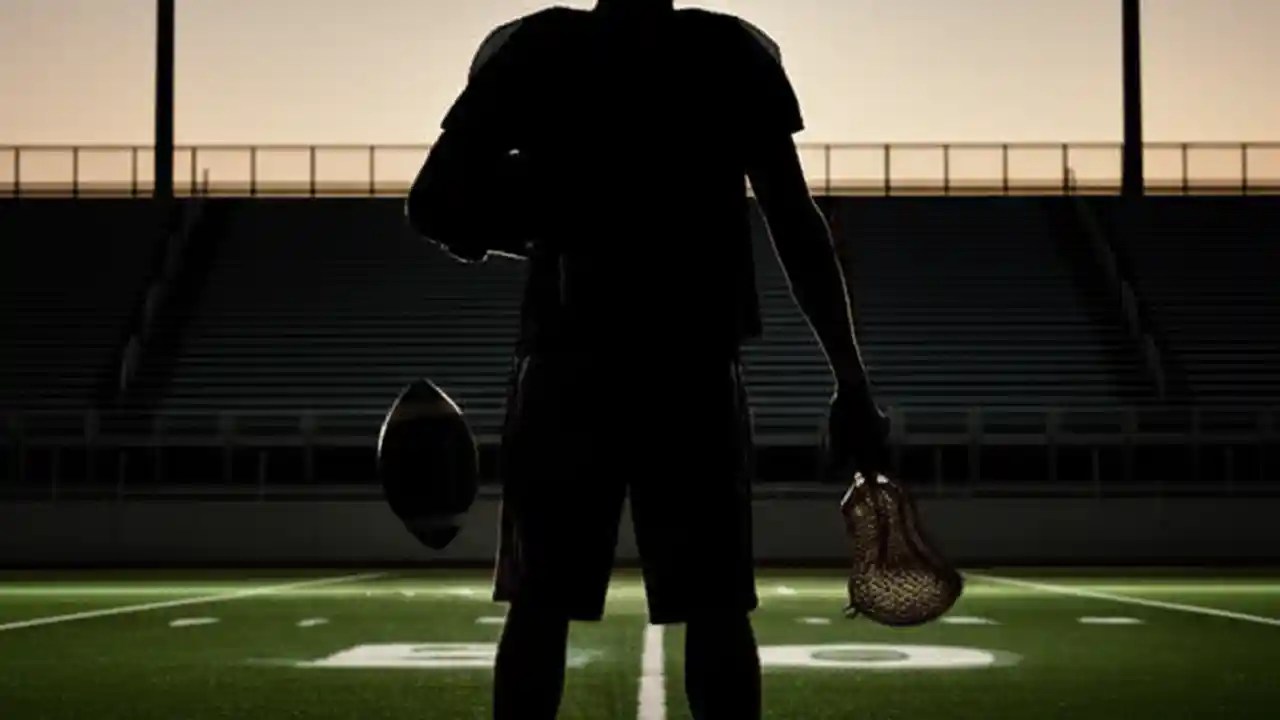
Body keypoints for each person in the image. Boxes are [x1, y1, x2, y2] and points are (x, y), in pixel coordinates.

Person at [407, 1, 890, 717]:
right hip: (689, 362)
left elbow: (435, 203)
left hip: (567, 361)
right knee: (716, 609)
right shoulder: (726, 52)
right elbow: (794, 221)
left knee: (540, 608)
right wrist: (849, 378)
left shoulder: (541, 48)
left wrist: (555, 227)